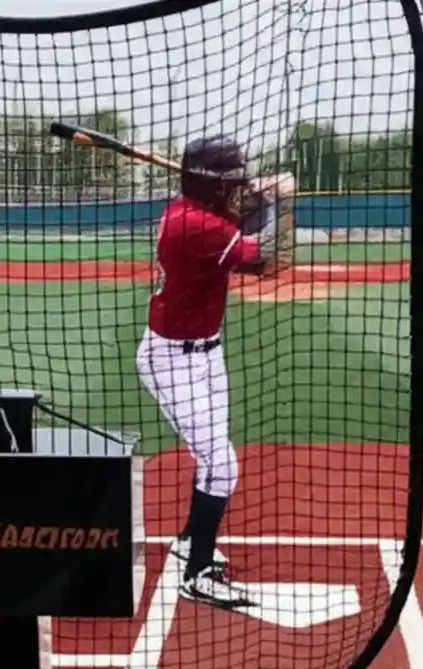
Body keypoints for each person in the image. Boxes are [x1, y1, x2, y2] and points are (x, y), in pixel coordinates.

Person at [134, 135, 291, 609]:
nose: (240, 184)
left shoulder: (192, 213)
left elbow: (233, 220)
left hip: (205, 355)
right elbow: (272, 261)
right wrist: (282, 204)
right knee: (222, 465)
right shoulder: (195, 227)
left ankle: (189, 542)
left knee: (214, 460)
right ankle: (197, 572)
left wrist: (257, 194)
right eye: (234, 178)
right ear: (213, 185)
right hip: (172, 361)